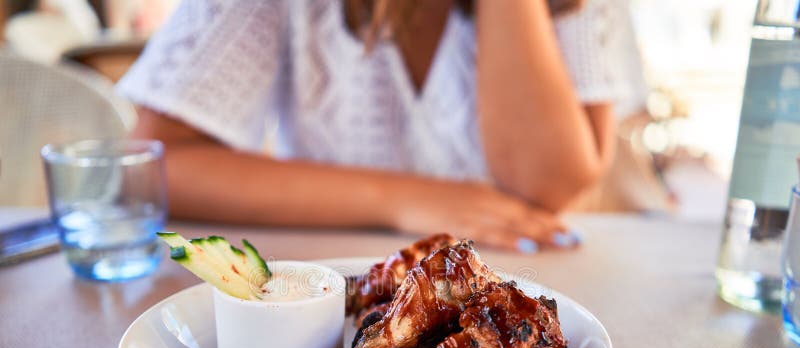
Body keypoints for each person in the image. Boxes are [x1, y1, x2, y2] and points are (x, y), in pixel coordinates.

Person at [119, 0, 626, 251]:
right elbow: (152, 167)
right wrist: (406, 199)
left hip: (523, 278)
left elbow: (548, 183)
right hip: (323, 284)